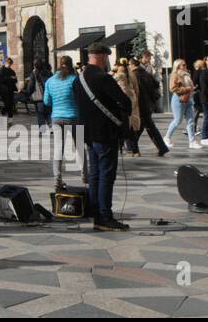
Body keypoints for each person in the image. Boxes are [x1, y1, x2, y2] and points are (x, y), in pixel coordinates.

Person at [76, 44, 130, 232]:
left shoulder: (78, 79)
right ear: (101, 57)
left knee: (94, 174)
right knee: (107, 174)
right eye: (107, 57)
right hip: (105, 133)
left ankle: (96, 213)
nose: (108, 60)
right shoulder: (103, 78)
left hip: (87, 133)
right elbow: (125, 101)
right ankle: (105, 216)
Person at [43, 56, 79, 185]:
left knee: (59, 148)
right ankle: (86, 176)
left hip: (57, 117)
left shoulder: (50, 81)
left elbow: (46, 101)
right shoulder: (74, 79)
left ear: (59, 65)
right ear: (71, 65)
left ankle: (57, 179)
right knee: (80, 147)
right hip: (74, 116)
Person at [128, 53, 169, 157]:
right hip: (148, 105)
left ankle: (132, 148)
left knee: (140, 127)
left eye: (129, 65)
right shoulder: (146, 74)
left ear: (133, 65)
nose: (128, 67)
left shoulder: (134, 75)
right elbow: (156, 85)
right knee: (146, 127)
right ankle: (161, 147)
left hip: (140, 105)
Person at [164, 59, 200, 150]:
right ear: (178, 66)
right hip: (178, 99)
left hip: (189, 98)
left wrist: (192, 88)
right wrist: (187, 89)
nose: (185, 66)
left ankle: (192, 141)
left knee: (191, 121)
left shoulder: (187, 74)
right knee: (177, 121)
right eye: (183, 65)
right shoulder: (174, 75)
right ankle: (167, 138)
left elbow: (190, 86)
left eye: (185, 64)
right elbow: (173, 88)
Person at [113, 59, 141, 154]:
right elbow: (136, 88)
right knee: (131, 125)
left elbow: (110, 81)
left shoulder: (119, 74)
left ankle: (126, 147)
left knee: (123, 124)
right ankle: (133, 149)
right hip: (132, 99)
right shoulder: (130, 73)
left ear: (119, 65)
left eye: (116, 65)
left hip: (122, 102)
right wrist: (136, 99)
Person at [27, 58, 52, 125]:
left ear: (35, 65)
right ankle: (51, 128)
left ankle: (42, 131)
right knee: (48, 113)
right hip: (49, 96)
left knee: (40, 115)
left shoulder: (34, 73)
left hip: (39, 98)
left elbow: (30, 86)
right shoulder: (49, 73)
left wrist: (28, 94)